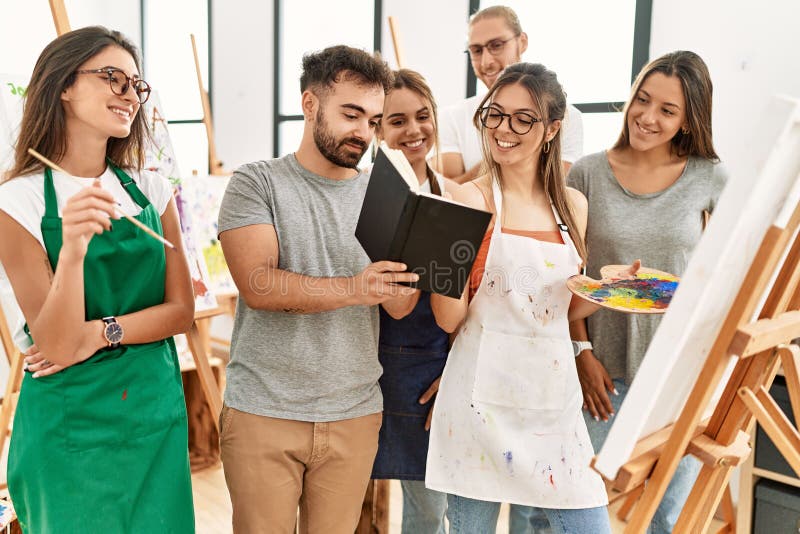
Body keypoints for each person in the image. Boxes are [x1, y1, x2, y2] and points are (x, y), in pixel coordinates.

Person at [0, 26, 195, 532]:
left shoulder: (150, 190)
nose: (129, 94)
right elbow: (59, 345)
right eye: (113, 78)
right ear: (63, 85)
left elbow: (180, 311)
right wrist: (73, 250)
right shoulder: (15, 202)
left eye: (136, 84)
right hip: (69, 427)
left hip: (153, 418)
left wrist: (103, 330)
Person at [217, 45, 419, 534]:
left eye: (373, 121)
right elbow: (260, 285)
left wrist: (422, 237)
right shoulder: (256, 183)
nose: (363, 133)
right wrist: (357, 286)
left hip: (354, 412)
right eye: (351, 115)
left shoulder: (385, 193)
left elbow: (400, 305)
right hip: (264, 410)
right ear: (310, 105)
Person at [426, 62, 618, 534]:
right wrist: (441, 256)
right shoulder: (466, 201)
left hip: (553, 404)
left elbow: (562, 309)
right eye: (495, 114)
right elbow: (449, 320)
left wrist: (608, 292)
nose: (503, 130)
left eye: (523, 119)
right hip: (478, 404)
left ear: (553, 129)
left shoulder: (573, 206)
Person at [567, 50, 727, 533]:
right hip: (600, 378)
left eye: (667, 110)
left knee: (667, 516)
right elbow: (570, 273)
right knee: (574, 509)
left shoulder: (710, 177)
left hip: (677, 379)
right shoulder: (587, 174)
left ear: (688, 119)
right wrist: (582, 351)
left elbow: (727, 272)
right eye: (643, 100)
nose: (647, 117)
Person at [370, 68, 459, 534]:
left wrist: (456, 368)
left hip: (433, 368)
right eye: (397, 121)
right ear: (377, 129)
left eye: (422, 117)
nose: (413, 131)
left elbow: (468, 303)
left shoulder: (455, 196)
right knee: (347, 504)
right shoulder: (368, 196)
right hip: (369, 364)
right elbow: (396, 306)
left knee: (428, 507)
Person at [439, 5, 583, 184]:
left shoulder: (567, 117)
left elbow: (554, 188)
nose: (486, 62)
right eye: (476, 51)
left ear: (522, 42)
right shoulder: (452, 116)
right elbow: (448, 194)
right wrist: (503, 150)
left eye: (496, 46)